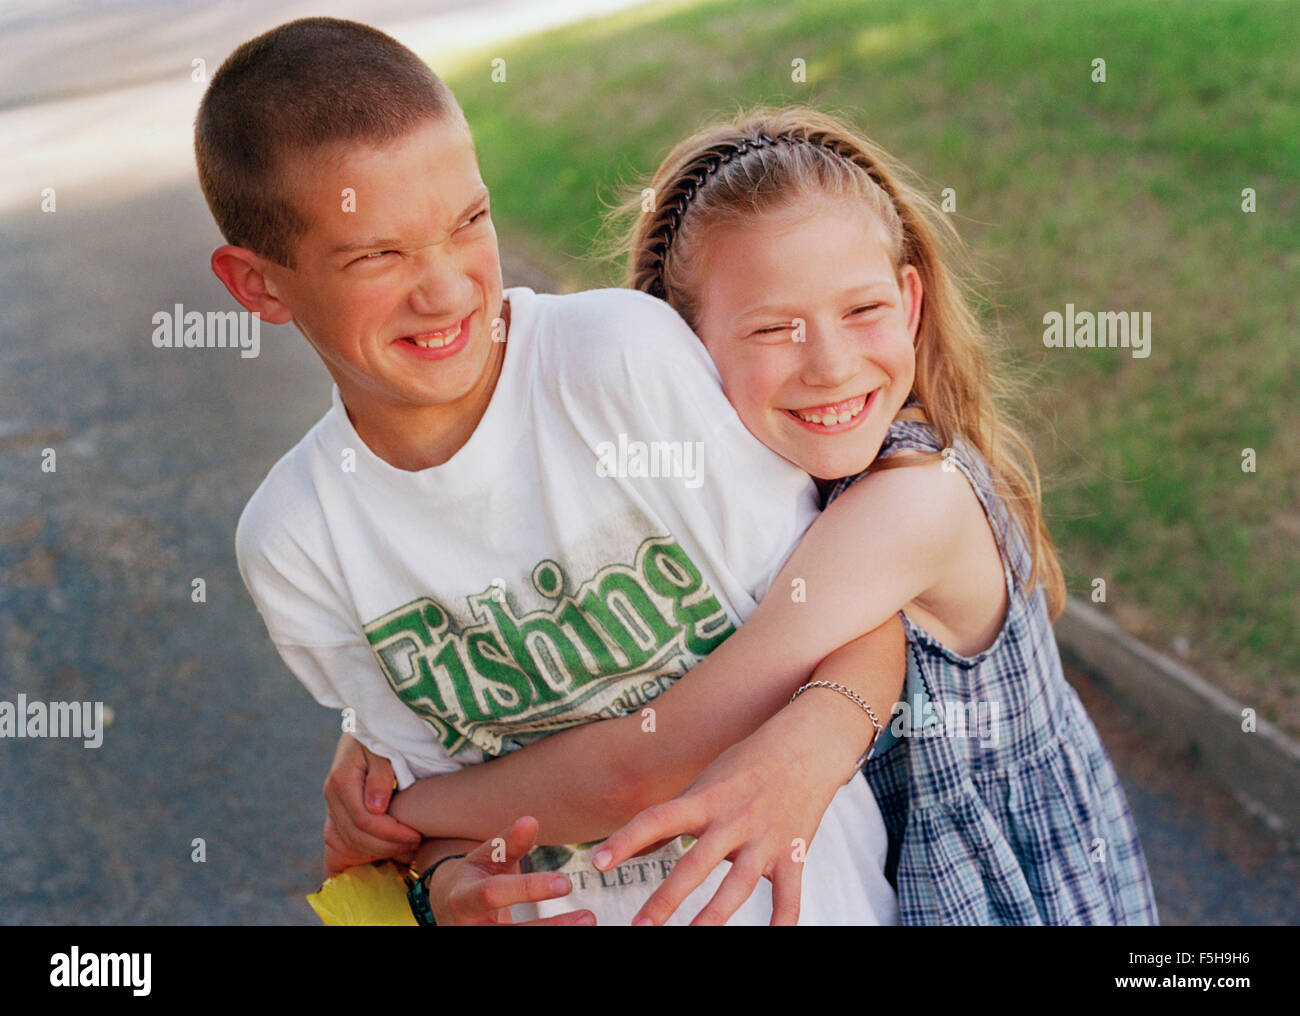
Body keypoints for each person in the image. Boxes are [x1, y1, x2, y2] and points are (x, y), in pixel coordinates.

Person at [339, 104, 1162, 926]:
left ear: (910, 303)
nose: (832, 365)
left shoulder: (918, 501)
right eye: (775, 329)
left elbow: (652, 751)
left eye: (863, 311)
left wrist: (406, 808)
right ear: (686, 354)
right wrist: (372, 733)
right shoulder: (739, 484)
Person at [198, 18, 906, 926]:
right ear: (258, 286)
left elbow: (855, 610)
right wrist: (449, 890)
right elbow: (429, 826)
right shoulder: (296, 542)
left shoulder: (619, 363)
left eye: (468, 223)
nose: (447, 288)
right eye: (379, 255)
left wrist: (409, 824)